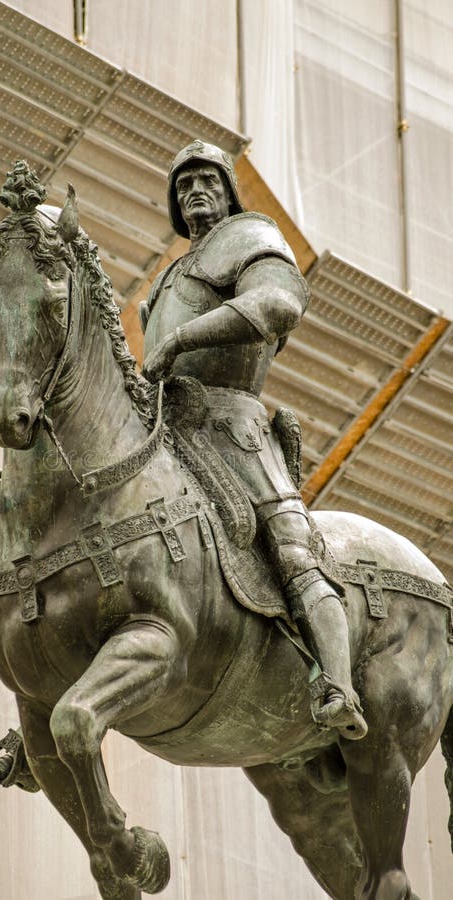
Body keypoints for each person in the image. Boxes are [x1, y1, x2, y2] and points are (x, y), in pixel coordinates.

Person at [141, 140, 367, 740]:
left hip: (231, 425)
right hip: (165, 425)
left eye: (207, 180)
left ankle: (338, 684)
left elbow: (279, 302)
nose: (195, 191)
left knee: (290, 548)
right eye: (183, 184)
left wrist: (180, 340)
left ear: (228, 191)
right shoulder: (166, 279)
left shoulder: (251, 237)